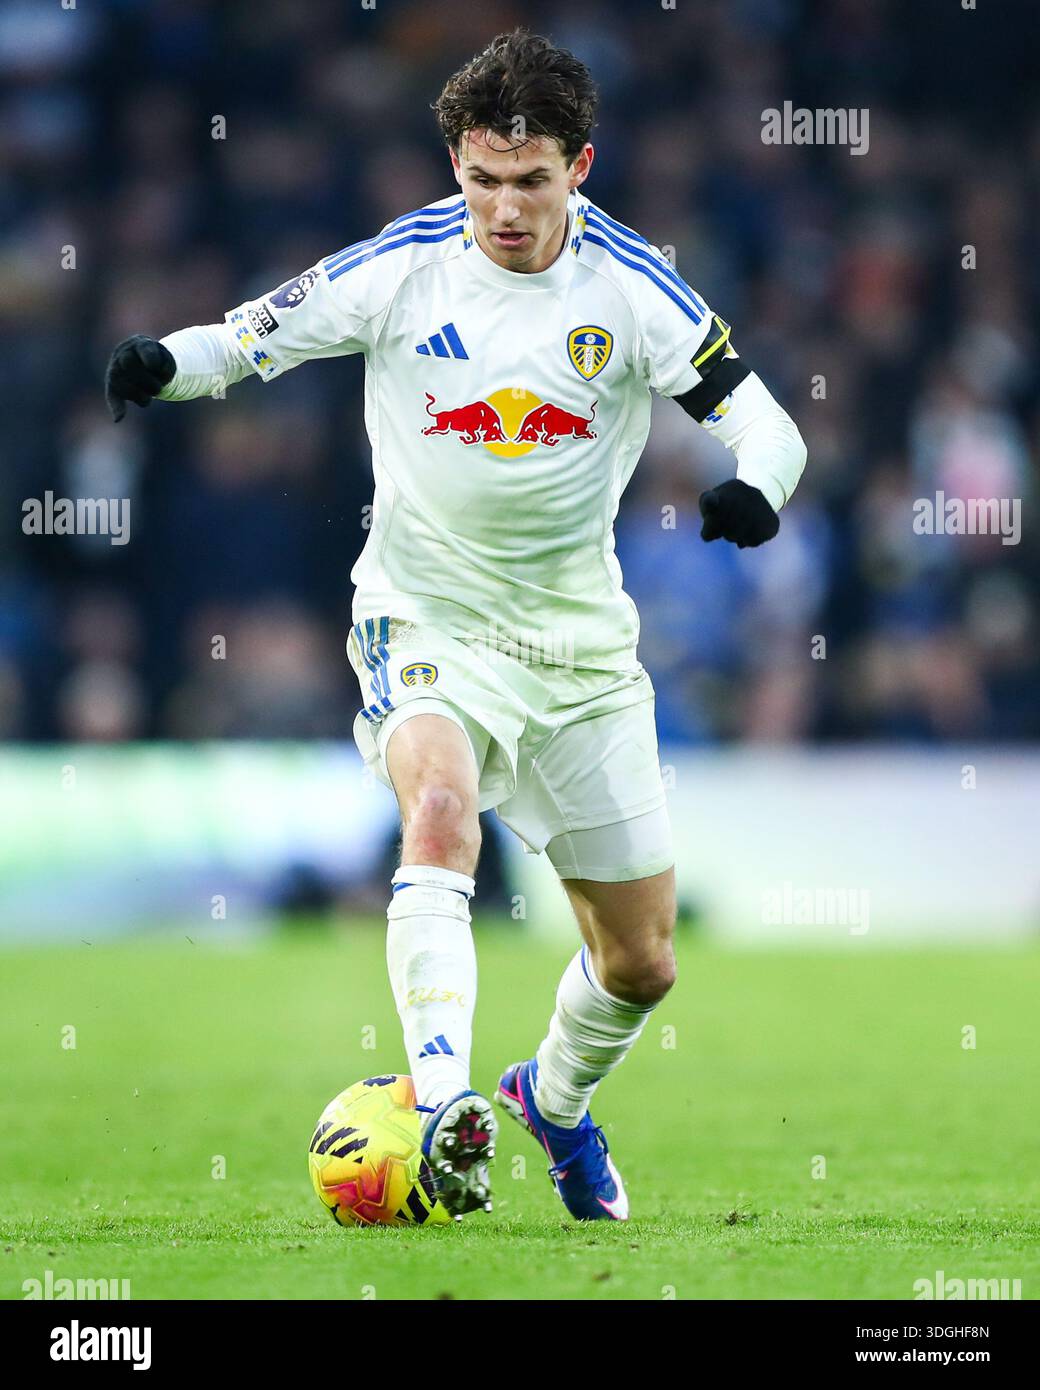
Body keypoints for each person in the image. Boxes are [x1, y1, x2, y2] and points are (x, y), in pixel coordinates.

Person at [104, 29, 806, 1222]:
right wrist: (160, 363)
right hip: (423, 616)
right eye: (480, 180)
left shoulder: (634, 289)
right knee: (435, 812)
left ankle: (554, 1101)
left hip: (580, 650)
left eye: (529, 182)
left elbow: (771, 428)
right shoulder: (405, 264)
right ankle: (440, 1112)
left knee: (640, 962)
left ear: (578, 167)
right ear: (456, 164)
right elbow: (250, 337)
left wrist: (754, 490)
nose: (502, 210)